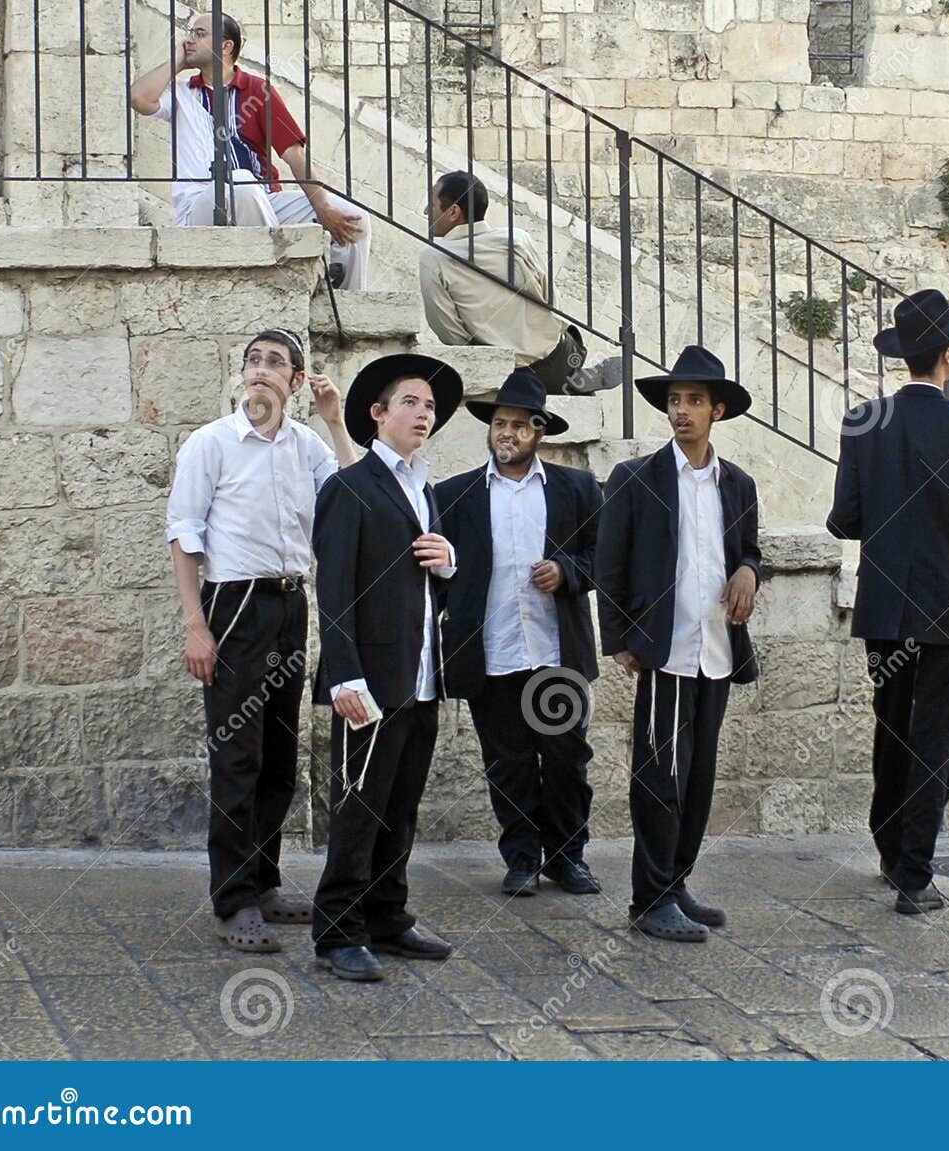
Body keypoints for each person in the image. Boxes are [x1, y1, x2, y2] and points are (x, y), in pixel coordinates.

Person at [165, 328, 357, 953]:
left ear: (296, 382)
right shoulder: (211, 444)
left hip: (289, 601)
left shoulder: (306, 446)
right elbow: (184, 533)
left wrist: (334, 421)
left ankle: (265, 883)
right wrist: (196, 626)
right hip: (234, 603)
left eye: (276, 363)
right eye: (253, 361)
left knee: (280, 755)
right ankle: (234, 900)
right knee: (237, 756)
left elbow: (358, 497)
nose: (261, 371)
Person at [825, 288, 949, 915]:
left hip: (886, 605)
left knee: (893, 730)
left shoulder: (862, 424)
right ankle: (916, 871)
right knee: (937, 738)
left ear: (906, 356)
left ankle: (891, 849)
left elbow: (843, 520)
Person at [595, 346, 761, 943]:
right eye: (674, 401)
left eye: (694, 401)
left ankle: (676, 881)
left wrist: (749, 571)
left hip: (717, 649)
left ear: (717, 410)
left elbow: (748, 550)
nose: (681, 411)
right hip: (663, 649)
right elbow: (608, 564)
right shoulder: (636, 479)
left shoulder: (737, 484)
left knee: (697, 777)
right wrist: (618, 639)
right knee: (659, 773)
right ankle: (650, 897)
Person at [310, 352, 464, 982]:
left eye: (429, 406)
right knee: (360, 806)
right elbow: (335, 590)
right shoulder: (348, 488)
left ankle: (388, 916)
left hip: (421, 677)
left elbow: (426, 587)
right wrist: (344, 676)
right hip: (369, 683)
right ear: (377, 414)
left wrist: (449, 563)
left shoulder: (424, 489)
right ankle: (338, 930)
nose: (423, 413)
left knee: (401, 804)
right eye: (411, 402)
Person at [433, 370, 603, 897]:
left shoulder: (576, 489)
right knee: (507, 763)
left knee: (567, 760)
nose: (507, 432)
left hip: (556, 651)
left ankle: (568, 857)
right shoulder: (454, 495)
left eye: (519, 425)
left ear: (539, 432)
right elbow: (437, 574)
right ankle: (523, 857)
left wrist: (568, 572)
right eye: (500, 423)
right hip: (492, 651)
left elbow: (605, 558)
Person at [129, 12, 371, 289]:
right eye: (190, 32)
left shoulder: (258, 91)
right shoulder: (182, 92)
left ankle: (344, 302)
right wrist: (177, 60)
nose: (189, 40)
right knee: (241, 181)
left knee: (356, 218)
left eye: (199, 33)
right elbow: (138, 98)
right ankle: (285, 276)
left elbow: (295, 156)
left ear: (225, 46)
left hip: (263, 202)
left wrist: (324, 207)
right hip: (201, 205)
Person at [420, 171, 613, 395]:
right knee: (564, 339)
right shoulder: (516, 239)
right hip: (562, 352)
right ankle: (571, 379)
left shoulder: (435, 258)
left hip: (515, 373)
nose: (426, 211)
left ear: (453, 211)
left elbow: (450, 334)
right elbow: (550, 297)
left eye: (431, 205)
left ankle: (563, 384)